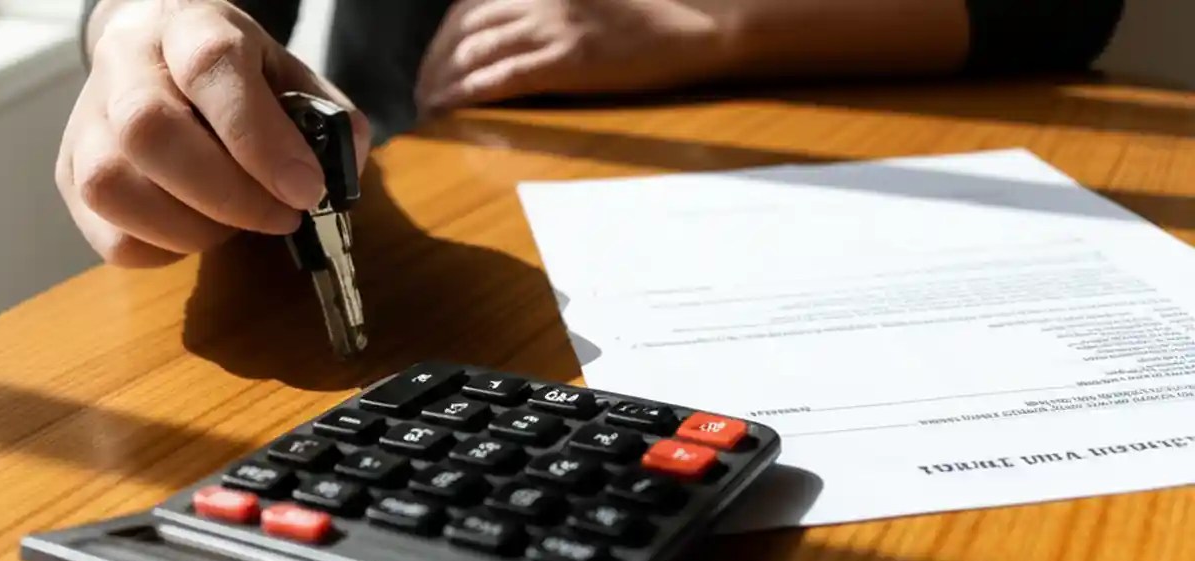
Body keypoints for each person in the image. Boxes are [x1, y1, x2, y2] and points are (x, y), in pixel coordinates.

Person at [63, 0, 1125, 268]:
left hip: (869, 155)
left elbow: (1059, 14)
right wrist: (146, 27)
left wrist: (713, 24)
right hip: (446, 199)